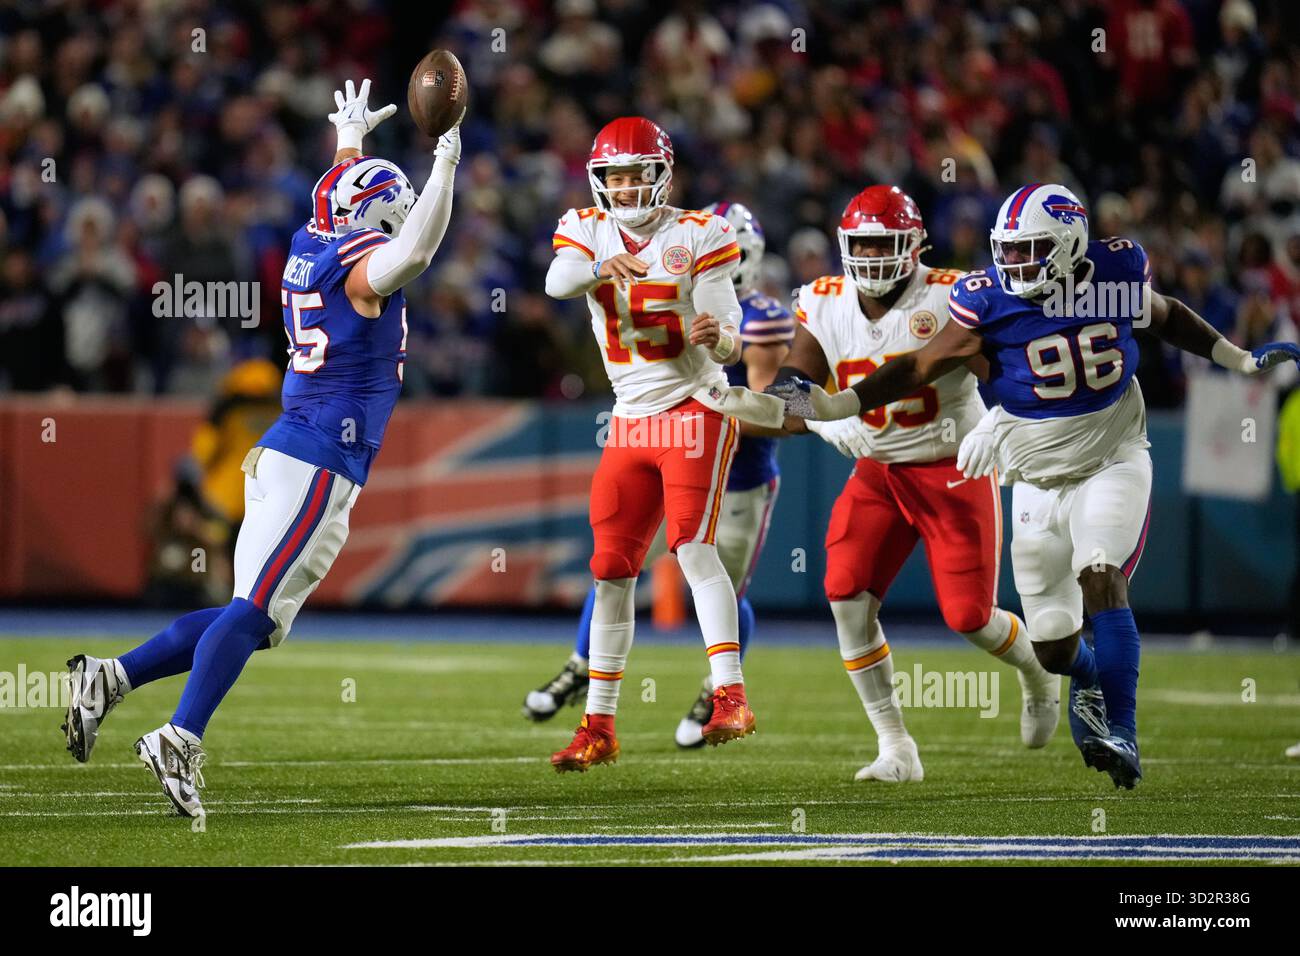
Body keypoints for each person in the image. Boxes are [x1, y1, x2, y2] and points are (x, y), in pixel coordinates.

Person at [772, 183, 1300, 789]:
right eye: (1009, 251)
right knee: (1051, 641)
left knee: (1095, 576)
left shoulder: (1113, 273)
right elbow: (918, 366)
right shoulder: (983, 296)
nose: (1017, 265)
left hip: (1105, 456)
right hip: (1031, 479)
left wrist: (1238, 359)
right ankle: (1070, 680)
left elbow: (1165, 315)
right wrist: (832, 409)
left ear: (1072, 244)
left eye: (1033, 251)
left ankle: (1122, 730)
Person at [62, 79, 463, 817]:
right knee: (252, 614)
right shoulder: (365, 263)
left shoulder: (313, 241)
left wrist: (349, 141)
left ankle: (109, 679)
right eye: (391, 208)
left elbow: (343, 202)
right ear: (374, 213)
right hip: (315, 461)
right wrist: (445, 161)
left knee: (252, 617)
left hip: (289, 452)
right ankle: (179, 736)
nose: (400, 217)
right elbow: (413, 254)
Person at [779, 184, 1059, 782]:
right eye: (865, 243)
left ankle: (1036, 668)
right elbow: (788, 391)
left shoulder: (955, 294)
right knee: (845, 594)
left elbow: (1010, 374)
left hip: (952, 466)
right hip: (878, 473)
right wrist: (827, 428)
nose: (876, 256)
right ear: (844, 245)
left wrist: (1002, 423)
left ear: (915, 245)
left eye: (887, 242)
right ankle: (896, 746)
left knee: (969, 617)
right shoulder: (824, 301)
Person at [542, 116, 784, 772]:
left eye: (635, 175)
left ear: (661, 175)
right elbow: (557, 281)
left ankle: (730, 695)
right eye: (612, 177)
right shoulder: (586, 230)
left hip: (693, 410)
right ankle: (598, 726)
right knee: (609, 571)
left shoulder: (699, 232)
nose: (623, 189)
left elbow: (729, 325)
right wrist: (597, 261)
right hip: (630, 416)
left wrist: (724, 340)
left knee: (692, 547)